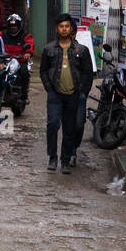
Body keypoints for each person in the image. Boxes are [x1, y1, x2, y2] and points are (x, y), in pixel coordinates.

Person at [40, 14, 94, 173]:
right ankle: (52, 157)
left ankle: (65, 160)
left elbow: (87, 73)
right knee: (53, 124)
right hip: (55, 94)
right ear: (57, 29)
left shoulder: (81, 50)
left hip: (73, 95)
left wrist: (82, 91)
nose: (64, 29)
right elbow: (43, 70)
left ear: (71, 29)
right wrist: (49, 87)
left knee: (70, 128)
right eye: (61, 26)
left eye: (67, 26)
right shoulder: (49, 48)